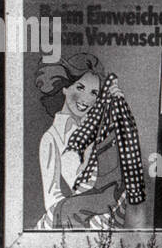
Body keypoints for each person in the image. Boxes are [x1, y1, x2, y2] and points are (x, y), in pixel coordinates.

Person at [34, 53, 131, 230]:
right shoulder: (51, 138)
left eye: (94, 92)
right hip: (83, 216)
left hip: (115, 203)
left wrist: (117, 108)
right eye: (80, 87)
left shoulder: (102, 128)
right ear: (65, 87)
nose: (86, 99)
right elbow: (52, 196)